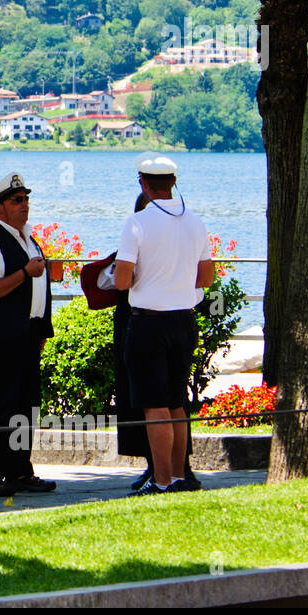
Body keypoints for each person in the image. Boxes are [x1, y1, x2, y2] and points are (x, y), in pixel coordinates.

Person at [114, 155, 214, 496]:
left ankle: (160, 480)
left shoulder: (137, 222)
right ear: (173, 183)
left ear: (143, 184)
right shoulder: (195, 221)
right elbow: (207, 276)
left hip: (148, 323)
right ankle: (178, 475)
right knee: (175, 402)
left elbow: (123, 280)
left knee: (154, 405)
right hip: (184, 320)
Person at [0, 171, 61, 497]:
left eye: (26, 199)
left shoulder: (27, 238)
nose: (24, 205)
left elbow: (38, 290)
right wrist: (24, 272)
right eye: (16, 200)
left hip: (26, 336)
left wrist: (41, 331)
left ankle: (19, 470)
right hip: (0, 338)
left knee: (25, 408)